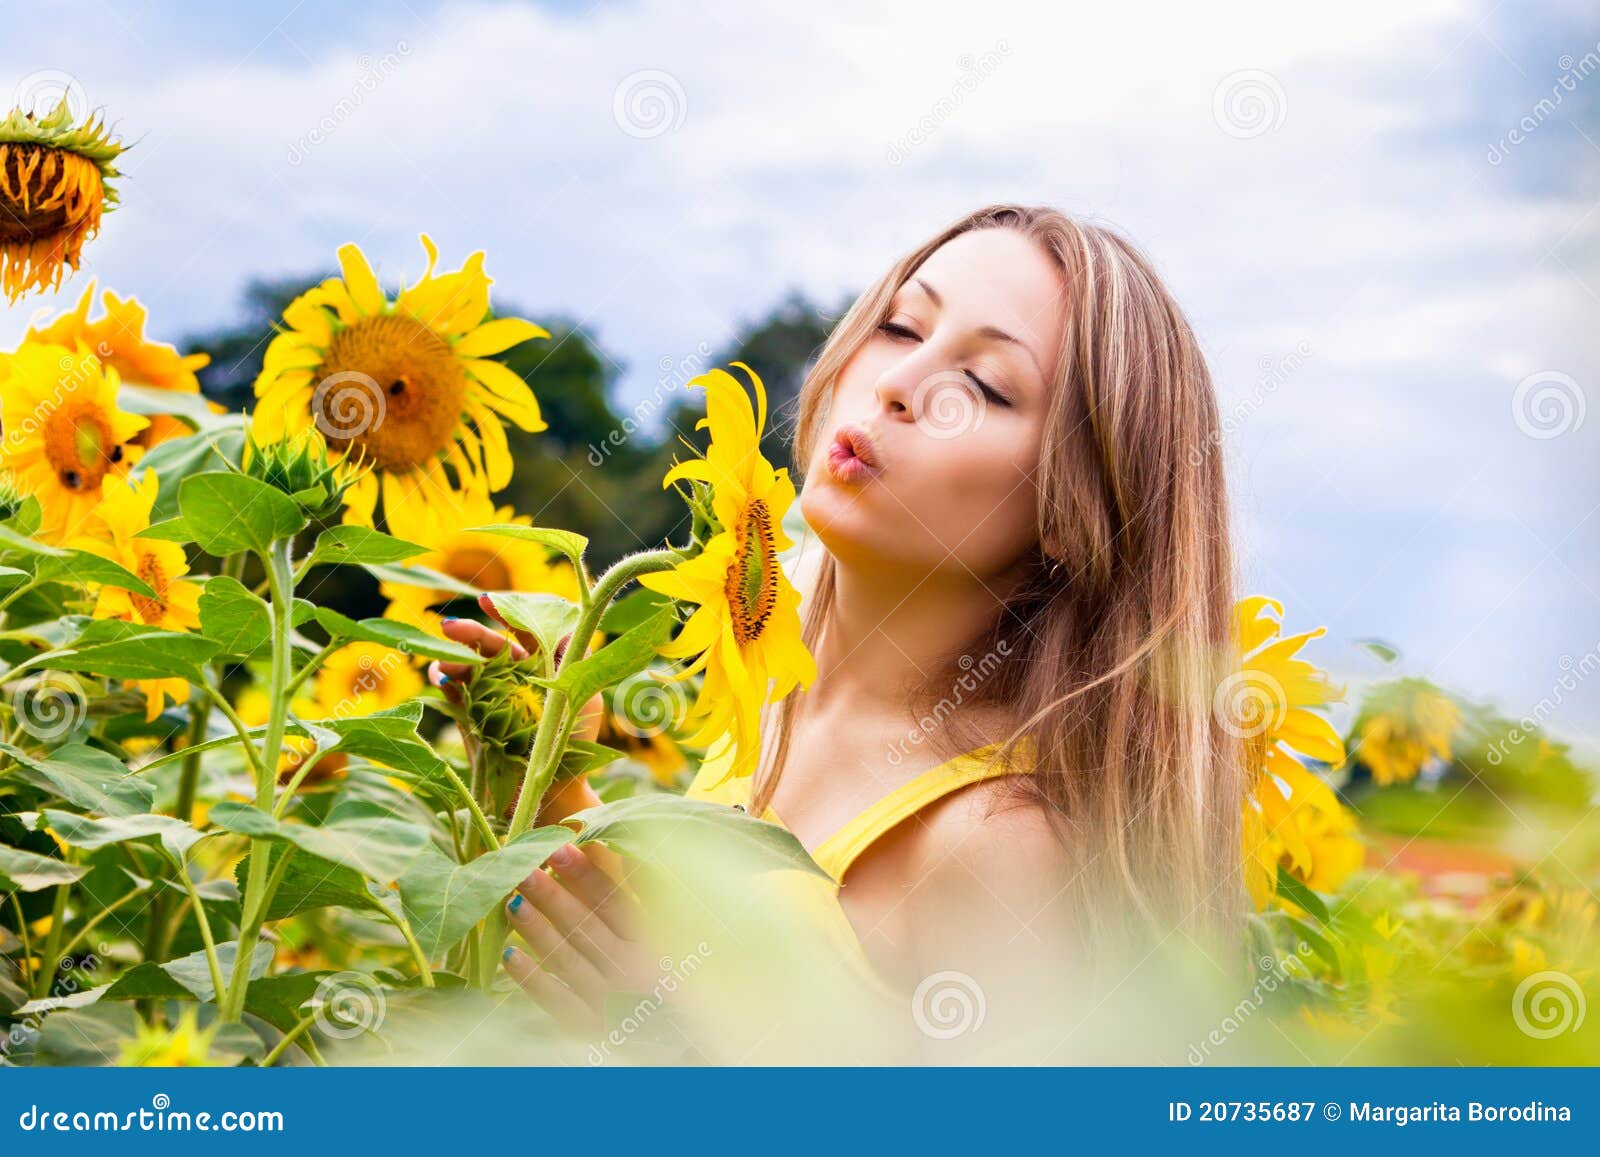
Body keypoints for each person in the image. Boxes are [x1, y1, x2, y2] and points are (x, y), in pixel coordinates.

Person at [429, 204, 1249, 1051]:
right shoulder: (768, 654)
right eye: (900, 326)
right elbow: (647, 962)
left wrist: (679, 1055)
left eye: (986, 387)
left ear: (1074, 508)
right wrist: (552, 772)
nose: (899, 384)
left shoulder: (996, 844)